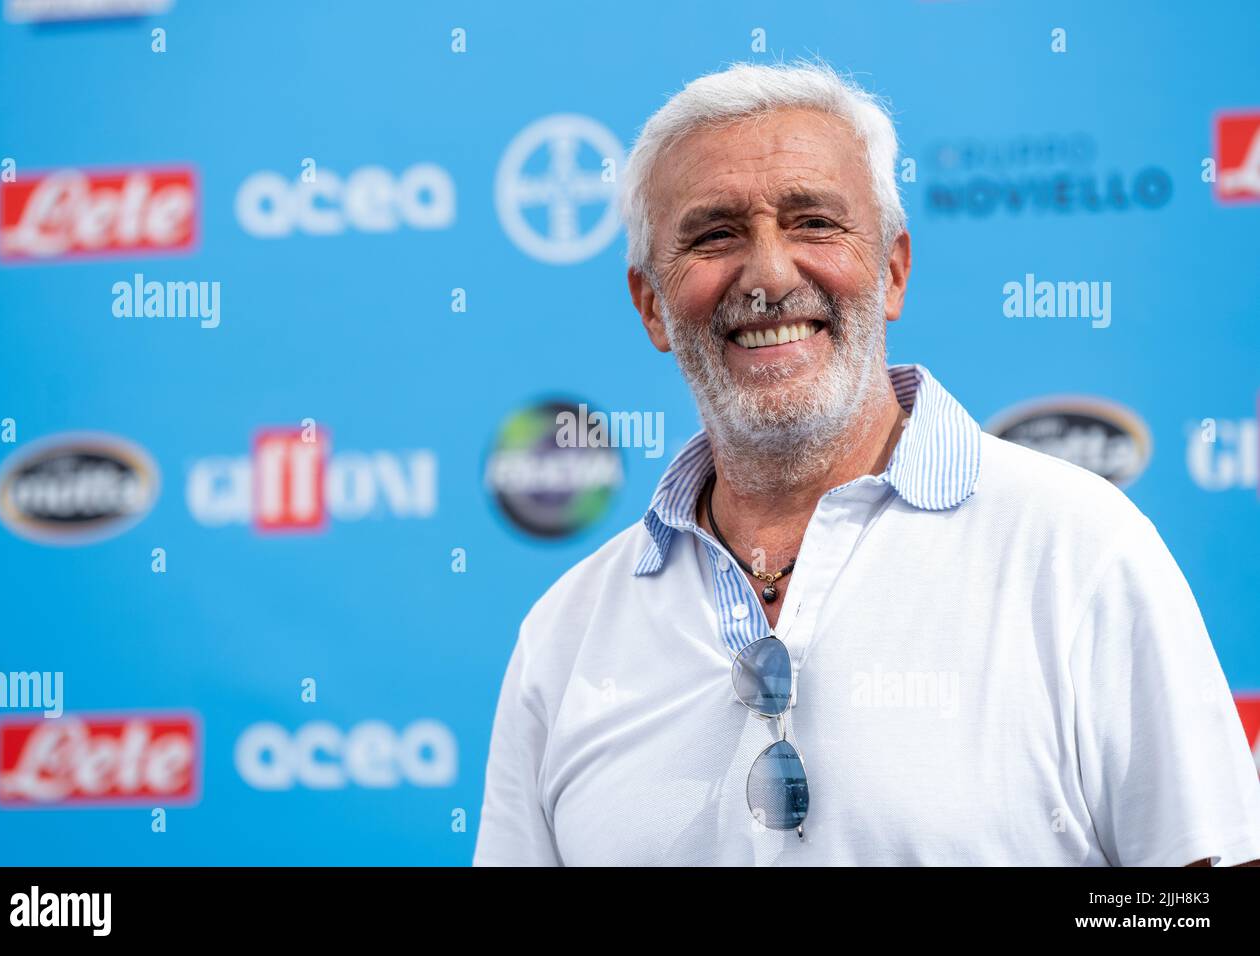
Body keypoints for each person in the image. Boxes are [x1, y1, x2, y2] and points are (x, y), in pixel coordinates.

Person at [473, 60, 1260, 866]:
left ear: (892, 271)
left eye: (813, 222)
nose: (771, 275)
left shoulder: (1080, 551)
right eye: (715, 235)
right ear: (651, 306)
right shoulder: (565, 638)